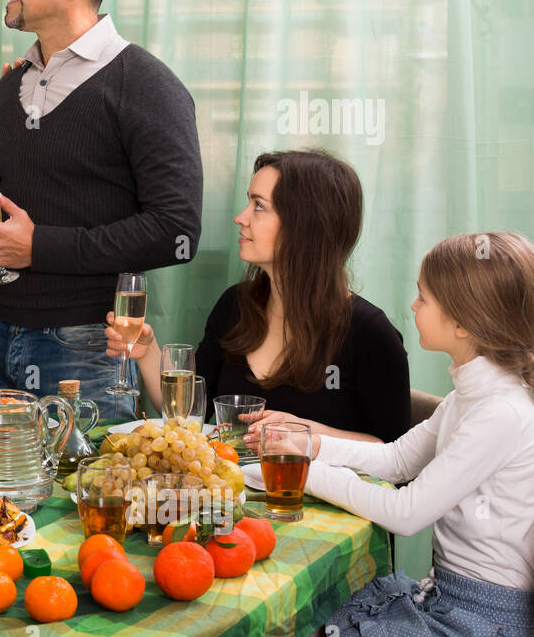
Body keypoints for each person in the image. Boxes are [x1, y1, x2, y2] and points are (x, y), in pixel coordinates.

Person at [0, 0, 202, 418]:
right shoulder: (14, 82)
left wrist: (39, 246)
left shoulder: (147, 86)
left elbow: (176, 231)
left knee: (82, 497)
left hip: (86, 348)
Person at [310, 232, 534, 637]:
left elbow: (407, 512)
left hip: (484, 624)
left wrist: (306, 474)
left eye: (423, 298)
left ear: (465, 322)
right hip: (443, 600)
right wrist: (312, 446)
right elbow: (397, 460)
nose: (413, 305)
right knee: (307, 632)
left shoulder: (500, 412)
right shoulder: (468, 398)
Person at [106, 150, 412, 444]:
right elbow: (185, 414)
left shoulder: (371, 333)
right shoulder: (235, 306)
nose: (241, 218)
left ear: (304, 225)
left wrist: (307, 432)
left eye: (259, 205)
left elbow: (396, 458)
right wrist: (146, 351)